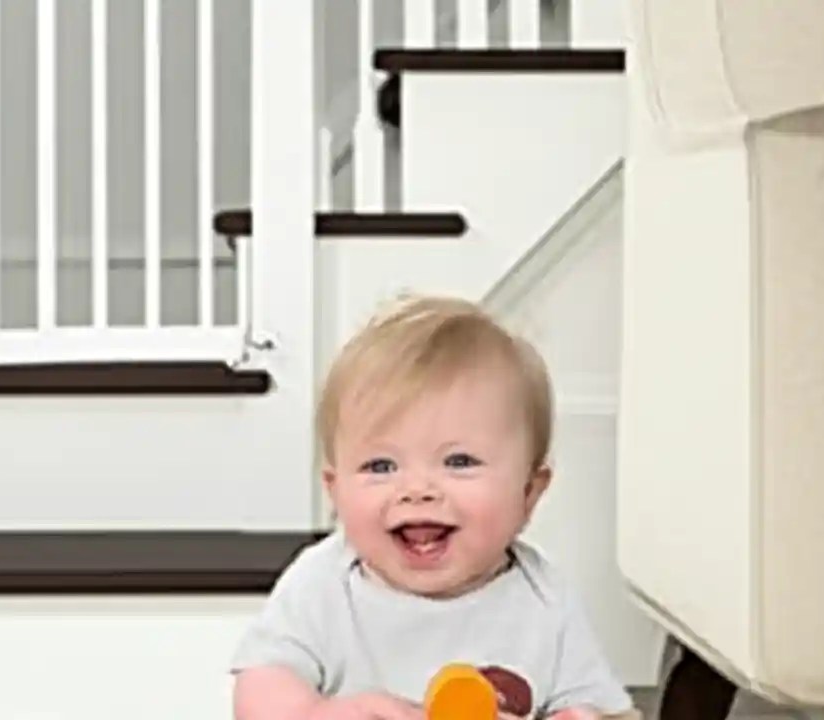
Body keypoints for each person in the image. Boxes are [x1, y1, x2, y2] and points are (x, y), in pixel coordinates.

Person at [230, 295, 638, 720]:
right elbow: (261, 687)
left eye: (459, 462)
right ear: (335, 490)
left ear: (529, 493)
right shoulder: (324, 585)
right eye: (381, 465)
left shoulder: (545, 601)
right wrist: (317, 713)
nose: (417, 489)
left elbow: (597, 707)